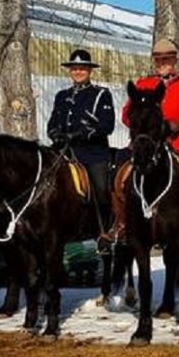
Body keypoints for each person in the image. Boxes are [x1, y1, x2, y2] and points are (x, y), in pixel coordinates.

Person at [102, 38, 179, 255]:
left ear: (175, 60)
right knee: (117, 166)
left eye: (167, 59)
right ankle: (119, 223)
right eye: (158, 59)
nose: (162, 63)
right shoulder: (143, 84)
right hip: (146, 146)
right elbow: (126, 115)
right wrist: (144, 126)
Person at [47, 49, 115, 234]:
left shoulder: (101, 95)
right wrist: (55, 134)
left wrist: (80, 134)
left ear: (89, 71)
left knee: (101, 189)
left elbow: (107, 126)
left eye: (82, 69)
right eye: (74, 68)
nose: (78, 72)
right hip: (63, 151)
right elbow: (52, 122)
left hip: (92, 152)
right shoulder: (61, 95)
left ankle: (106, 230)